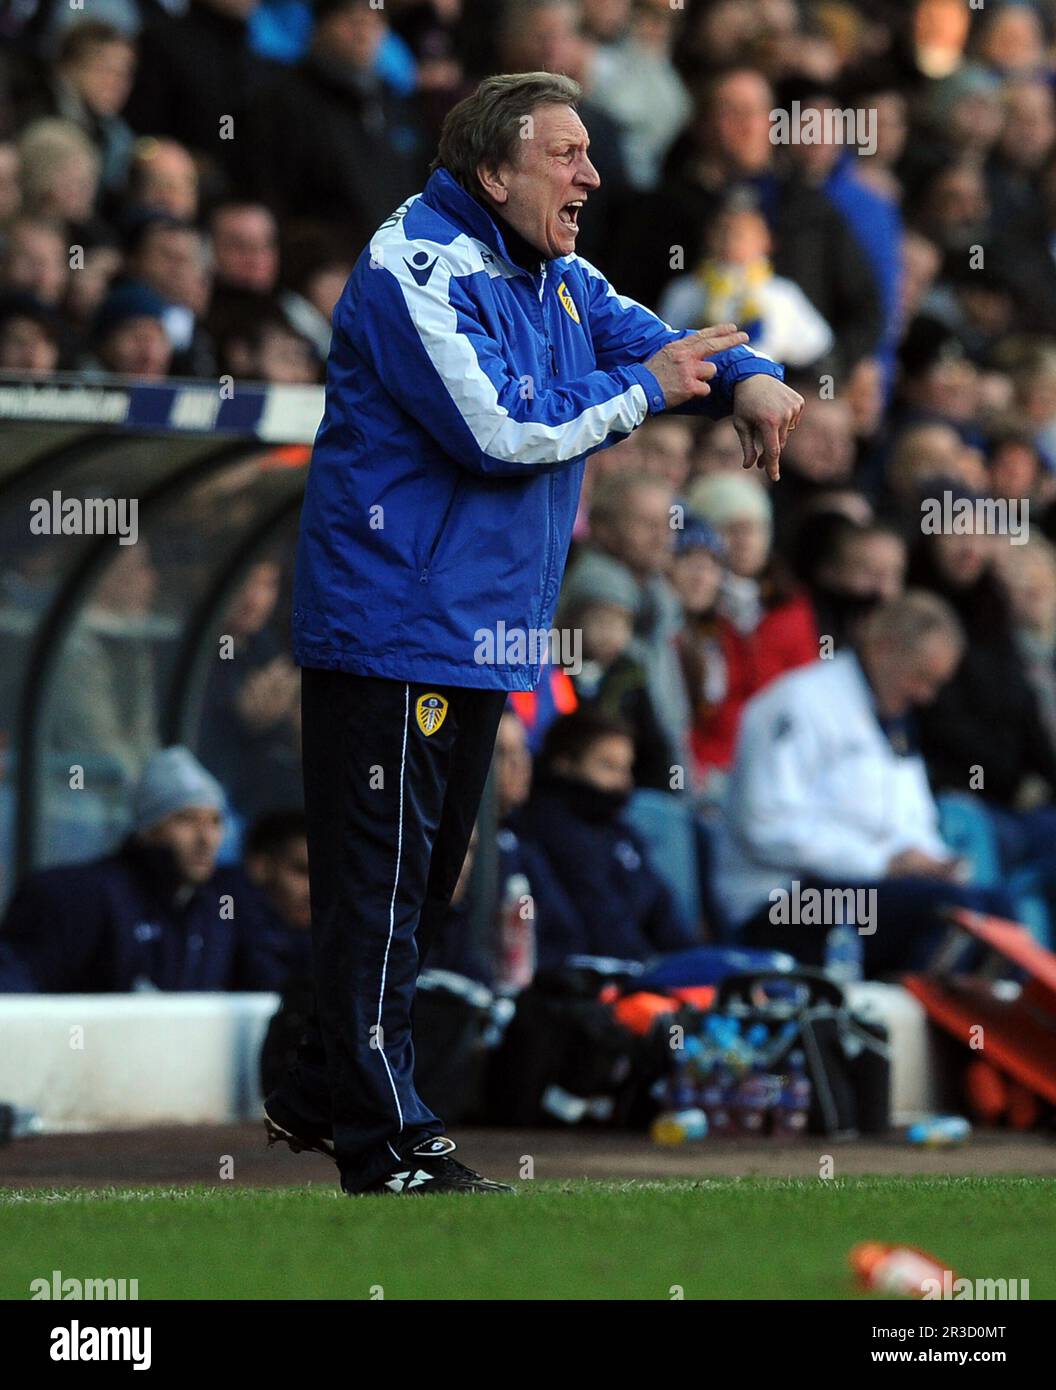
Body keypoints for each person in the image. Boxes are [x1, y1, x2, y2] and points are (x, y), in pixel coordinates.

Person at [264, 70, 801, 1197]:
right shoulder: (416, 266)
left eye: (592, 154)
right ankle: (388, 1142)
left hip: (480, 637)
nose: (592, 177)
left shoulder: (550, 271)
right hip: (393, 627)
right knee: (385, 883)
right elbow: (498, 432)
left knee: (429, 885)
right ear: (494, 170)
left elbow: (649, 332)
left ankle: (319, 1080)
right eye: (566, 155)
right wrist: (649, 393)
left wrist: (745, 376)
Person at [715, 592, 1018, 976]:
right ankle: (916, 1022)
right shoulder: (799, 702)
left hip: (871, 891)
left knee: (998, 909)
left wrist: (931, 861)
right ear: (883, 648)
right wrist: (882, 863)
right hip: (782, 902)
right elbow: (764, 827)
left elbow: (913, 823)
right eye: (920, 677)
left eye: (936, 683)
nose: (926, 696)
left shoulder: (894, 720)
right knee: (941, 913)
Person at [0, 747, 283, 993]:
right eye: (186, 820)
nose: (206, 839)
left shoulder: (216, 908)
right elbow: (19, 1000)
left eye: (214, 822)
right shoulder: (81, 897)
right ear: (148, 830)